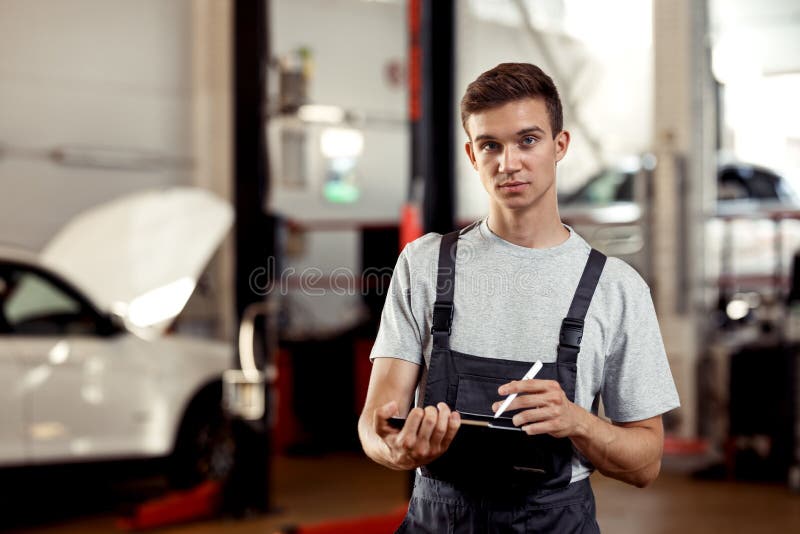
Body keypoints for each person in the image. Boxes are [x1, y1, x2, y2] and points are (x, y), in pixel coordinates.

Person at [357, 62, 680, 533]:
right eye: (491, 145)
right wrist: (397, 449)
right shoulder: (425, 264)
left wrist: (578, 422)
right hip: (437, 520)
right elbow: (375, 422)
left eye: (528, 140)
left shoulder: (616, 288)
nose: (508, 163)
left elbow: (646, 462)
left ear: (560, 145)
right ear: (471, 154)